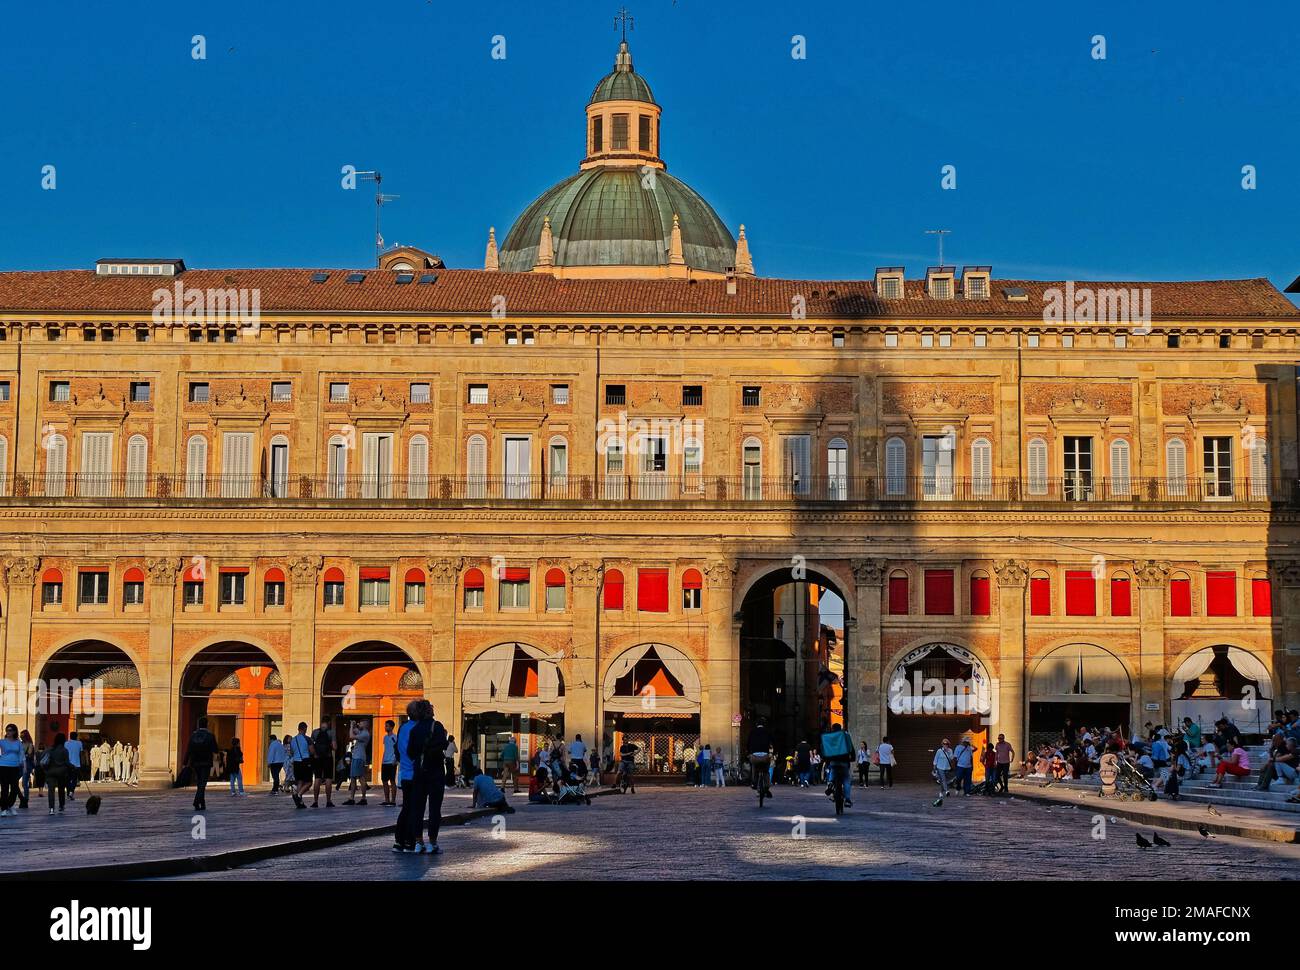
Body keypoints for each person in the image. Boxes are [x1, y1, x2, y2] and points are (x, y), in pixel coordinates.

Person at [186, 717, 219, 810]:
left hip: (195, 762)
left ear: (198, 725)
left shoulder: (193, 735)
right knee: (203, 783)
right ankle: (196, 801)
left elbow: (189, 749)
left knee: (199, 783)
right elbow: (215, 749)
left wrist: (185, 762)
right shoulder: (210, 735)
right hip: (206, 762)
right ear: (207, 724)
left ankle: (202, 803)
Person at [820, 722, 854, 808]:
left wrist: (825, 758)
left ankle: (830, 783)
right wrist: (852, 757)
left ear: (832, 728)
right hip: (844, 761)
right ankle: (847, 800)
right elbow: (850, 747)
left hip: (833, 761)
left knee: (832, 770)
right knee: (846, 779)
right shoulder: (845, 735)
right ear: (841, 728)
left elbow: (823, 747)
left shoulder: (829, 736)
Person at [41, 733, 73, 814]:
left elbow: (43, 760)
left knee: (51, 791)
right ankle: (61, 806)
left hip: (50, 772)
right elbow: (67, 762)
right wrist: (74, 767)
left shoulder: (50, 749)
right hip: (61, 773)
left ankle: (51, 809)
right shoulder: (64, 750)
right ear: (63, 741)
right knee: (61, 790)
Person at [309, 720, 335, 808]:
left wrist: (315, 755)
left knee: (317, 779)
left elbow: (311, 746)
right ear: (328, 724)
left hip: (318, 758)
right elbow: (335, 747)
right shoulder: (331, 732)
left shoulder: (315, 732)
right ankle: (328, 801)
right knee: (328, 779)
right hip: (328, 758)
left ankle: (315, 801)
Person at [345, 721, 371, 805]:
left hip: (359, 757)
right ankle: (351, 798)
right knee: (353, 778)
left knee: (361, 778)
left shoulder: (365, 734)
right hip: (356, 757)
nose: (360, 724)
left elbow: (351, 736)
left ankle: (363, 798)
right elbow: (355, 730)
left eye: (361, 723)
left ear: (366, 725)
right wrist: (353, 725)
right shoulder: (362, 732)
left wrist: (352, 726)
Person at [289, 722, 314, 809]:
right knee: (309, 782)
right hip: (305, 761)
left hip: (296, 762)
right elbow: (312, 751)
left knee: (300, 781)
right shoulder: (307, 739)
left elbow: (291, 752)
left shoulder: (293, 739)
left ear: (298, 728)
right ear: (305, 729)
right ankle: (298, 795)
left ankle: (300, 803)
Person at [0, 724, 23, 816]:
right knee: (4, 788)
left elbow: (21, 754)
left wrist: (23, 765)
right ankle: (4, 809)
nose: (8, 732)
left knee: (14, 788)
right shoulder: (2, 741)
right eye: (7, 730)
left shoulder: (18, 742)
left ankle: (9, 805)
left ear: (14, 731)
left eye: (10, 730)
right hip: (3, 766)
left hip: (15, 766)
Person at [746, 721, 773, 797]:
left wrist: (748, 753)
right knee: (766, 771)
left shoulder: (752, 732)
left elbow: (747, 743)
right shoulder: (767, 732)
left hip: (754, 756)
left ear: (756, 725)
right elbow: (773, 742)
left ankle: (754, 783)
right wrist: (774, 753)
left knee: (754, 768)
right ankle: (767, 787)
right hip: (765, 756)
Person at [380, 720, 399, 806]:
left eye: (387, 726)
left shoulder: (394, 737)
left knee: (392, 781)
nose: (385, 727)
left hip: (392, 762)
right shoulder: (385, 737)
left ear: (391, 727)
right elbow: (386, 749)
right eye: (385, 726)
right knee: (384, 781)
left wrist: (395, 759)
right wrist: (383, 760)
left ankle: (393, 800)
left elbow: (397, 749)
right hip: (385, 762)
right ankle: (386, 800)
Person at [64, 731, 84, 801]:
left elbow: (64, 754)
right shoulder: (79, 743)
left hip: (67, 765)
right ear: (76, 737)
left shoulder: (66, 743)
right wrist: (82, 764)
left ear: (70, 736)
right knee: (74, 780)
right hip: (76, 764)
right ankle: (71, 792)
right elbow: (81, 754)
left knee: (68, 780)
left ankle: (68, 793)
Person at [18, 729, 34, 809]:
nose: (21, 738)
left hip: (26, 765)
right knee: (13, 781)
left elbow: (30, 755)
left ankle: (25, 799)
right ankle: (21, 797)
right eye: (21, 736)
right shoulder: (20, 744)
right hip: (19, 764)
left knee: (24, 783)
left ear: (26, 736)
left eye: (23, 736)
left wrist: (23, 756)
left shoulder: (30, 744)